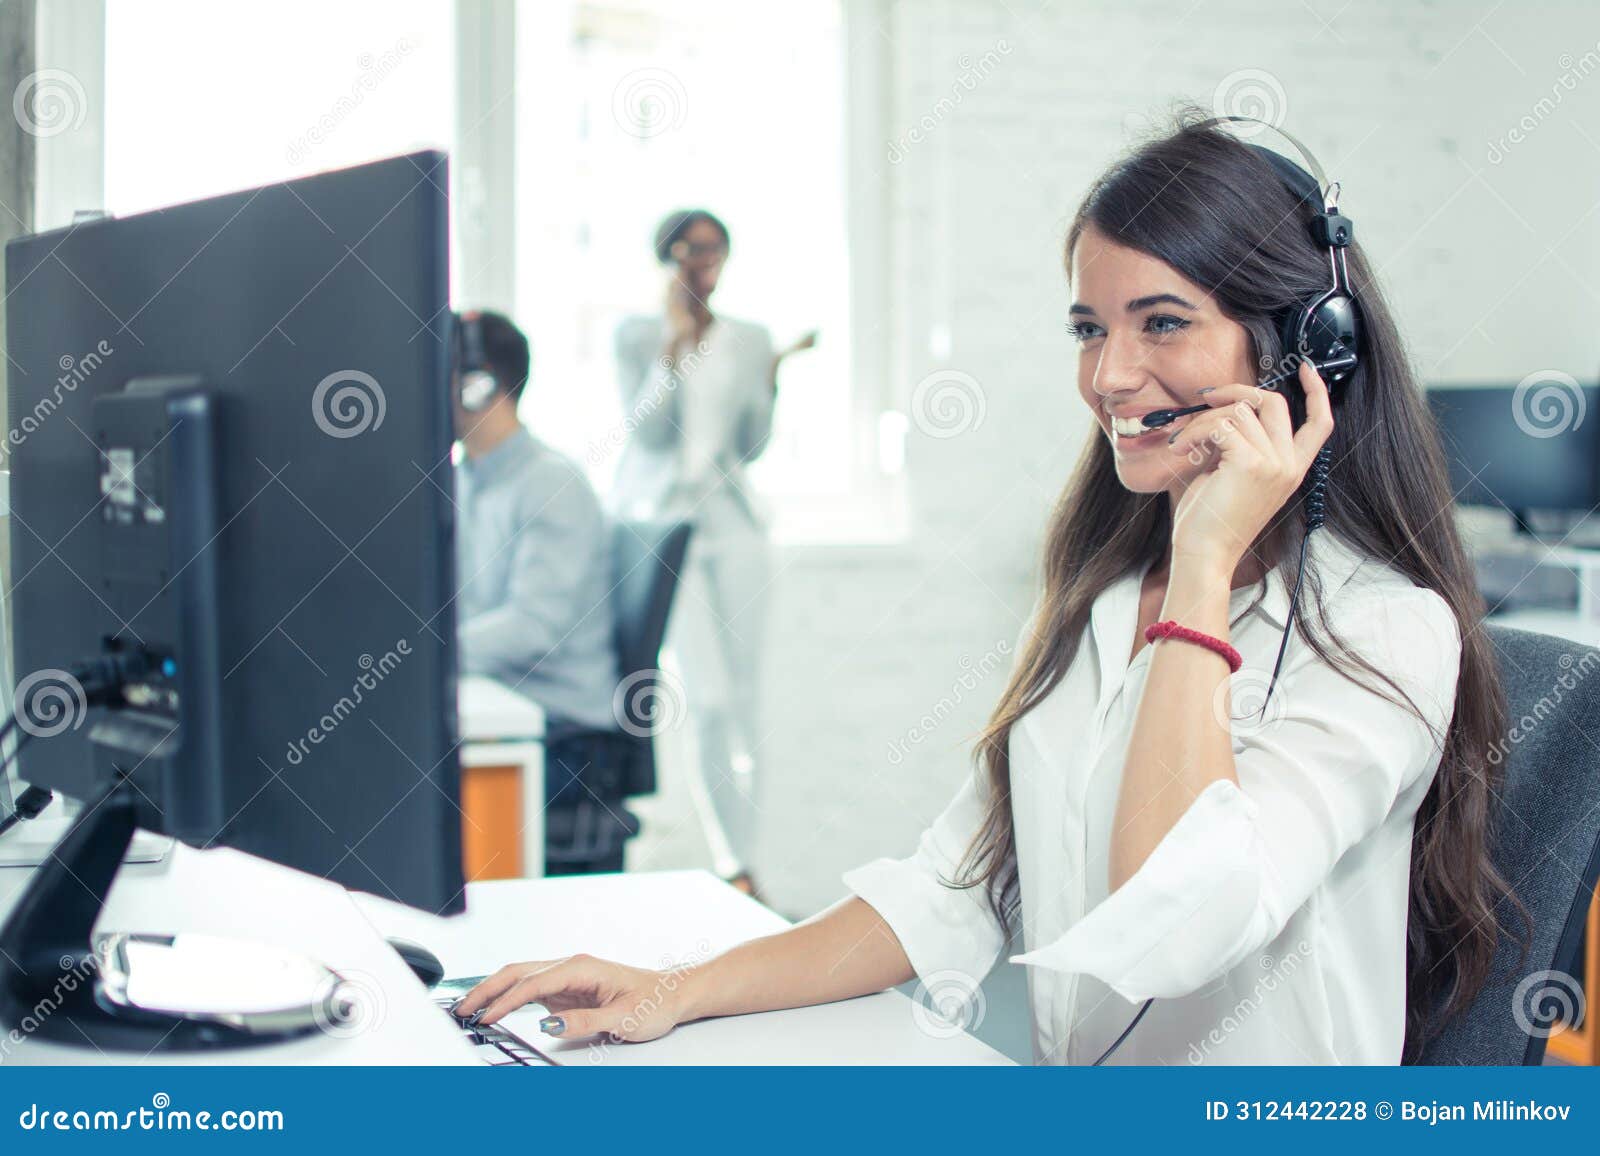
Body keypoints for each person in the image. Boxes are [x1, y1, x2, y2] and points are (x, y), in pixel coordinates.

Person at [453, 117, 1515, 1064]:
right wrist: (673, 992)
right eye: (1089, 329)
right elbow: (952, 888)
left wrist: (1203, 559)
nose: (1107, 377)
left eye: (1161, 322)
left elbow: (1177, 919)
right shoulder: (1101, 602)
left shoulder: (1384, 632)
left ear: (1301, 353)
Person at [609, 209, 814, 895]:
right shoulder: (637, 334)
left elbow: (751, 444)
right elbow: (648, 437)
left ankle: (744, 867)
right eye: (689, 251)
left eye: (714, 251)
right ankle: (730, 856)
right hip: (670, 528)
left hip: (734, 525)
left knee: (749, 699)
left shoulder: (749, 338)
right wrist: (674, 346)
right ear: (665, 257)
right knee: (710, 700)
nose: (703, 263)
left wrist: (773, 378)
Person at [451, 309, 618, 736]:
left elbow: (533, 627)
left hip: (562, 724)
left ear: (478, 386)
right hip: (500, 699)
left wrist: (427, 656)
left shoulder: (550, 484)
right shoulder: (464, 480)